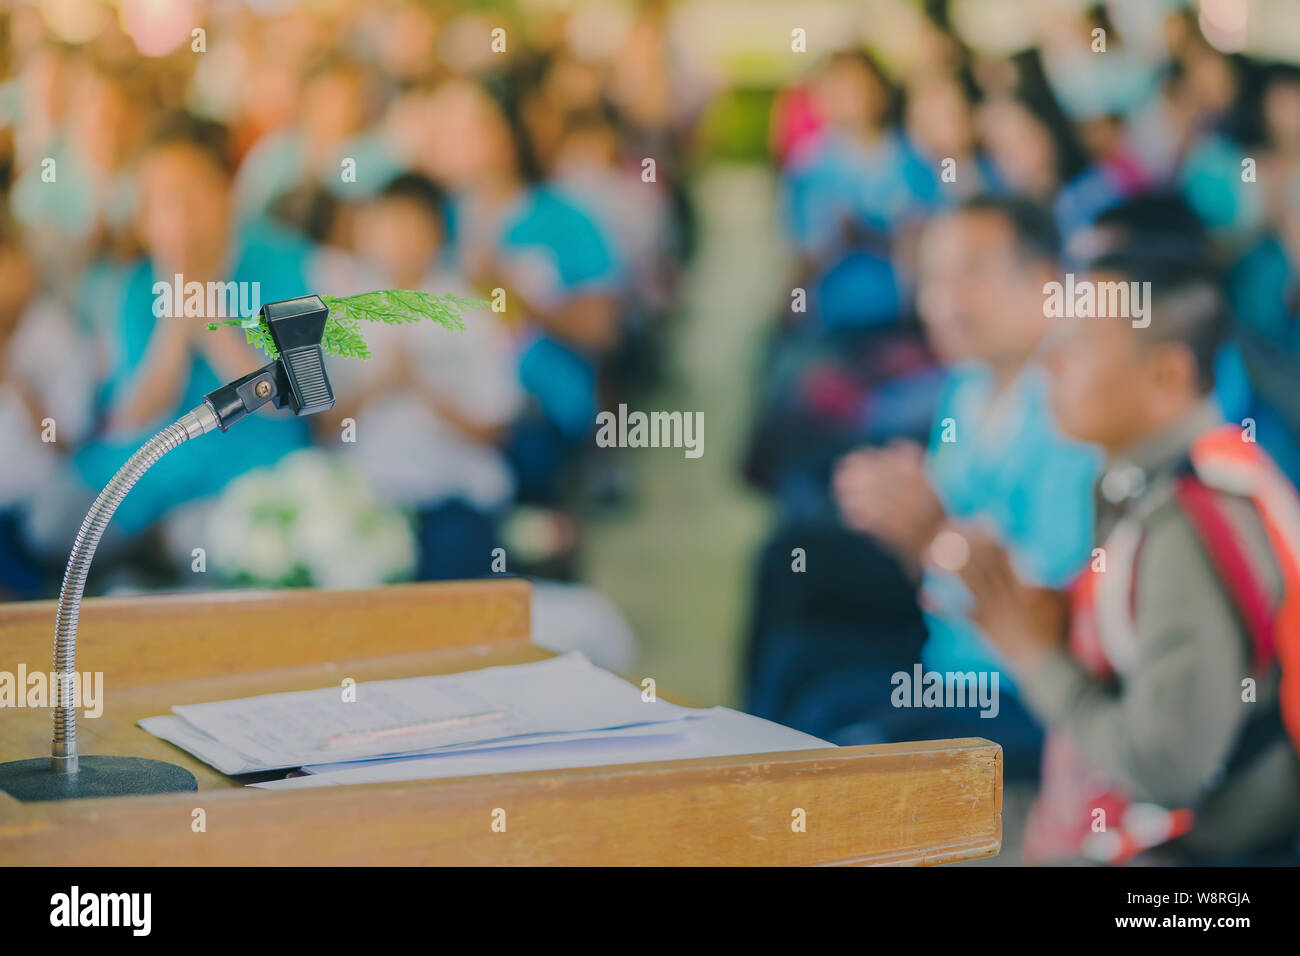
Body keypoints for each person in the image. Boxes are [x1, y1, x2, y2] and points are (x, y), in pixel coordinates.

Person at [949, 249, 1300, 863]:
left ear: (1166, 376)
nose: (1048, 362)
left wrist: (1037, 658)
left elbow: (1166, 768)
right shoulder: (1155, 480)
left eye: (1077, 346)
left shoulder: (1186, 528)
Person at [747, 196, 1100, 781]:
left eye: (971, 274)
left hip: (1010, 690)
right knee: (792, 640)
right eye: (931, 279)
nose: (942, 302)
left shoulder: (1075, 413)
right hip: (945, 649)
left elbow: (1050, 619)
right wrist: (909, 531)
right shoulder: (966, 388)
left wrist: (937, 535)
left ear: (1043, 282)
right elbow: (934, 570)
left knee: (832, 726)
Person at [324, 172, 524, 580]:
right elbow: (322, 426)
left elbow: (496, 428)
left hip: (450, 492)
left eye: (410, 226)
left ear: (436, 234)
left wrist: (423, 388)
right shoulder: (339, 313)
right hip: (366, 496)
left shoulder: (471, 311)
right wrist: (381, 383)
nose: (397, 240)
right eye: (385, 226)